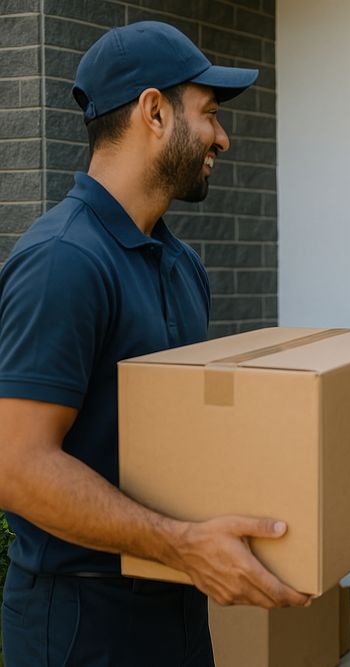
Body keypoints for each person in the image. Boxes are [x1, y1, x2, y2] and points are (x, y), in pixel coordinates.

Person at [0, 21, 309, 667]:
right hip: (84, 621)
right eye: (210, 113)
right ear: (155, 111)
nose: (222, 137)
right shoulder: (64, 260)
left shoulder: (180, 263)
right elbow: (16, 466)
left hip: (175, 601)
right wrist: (181, 542)